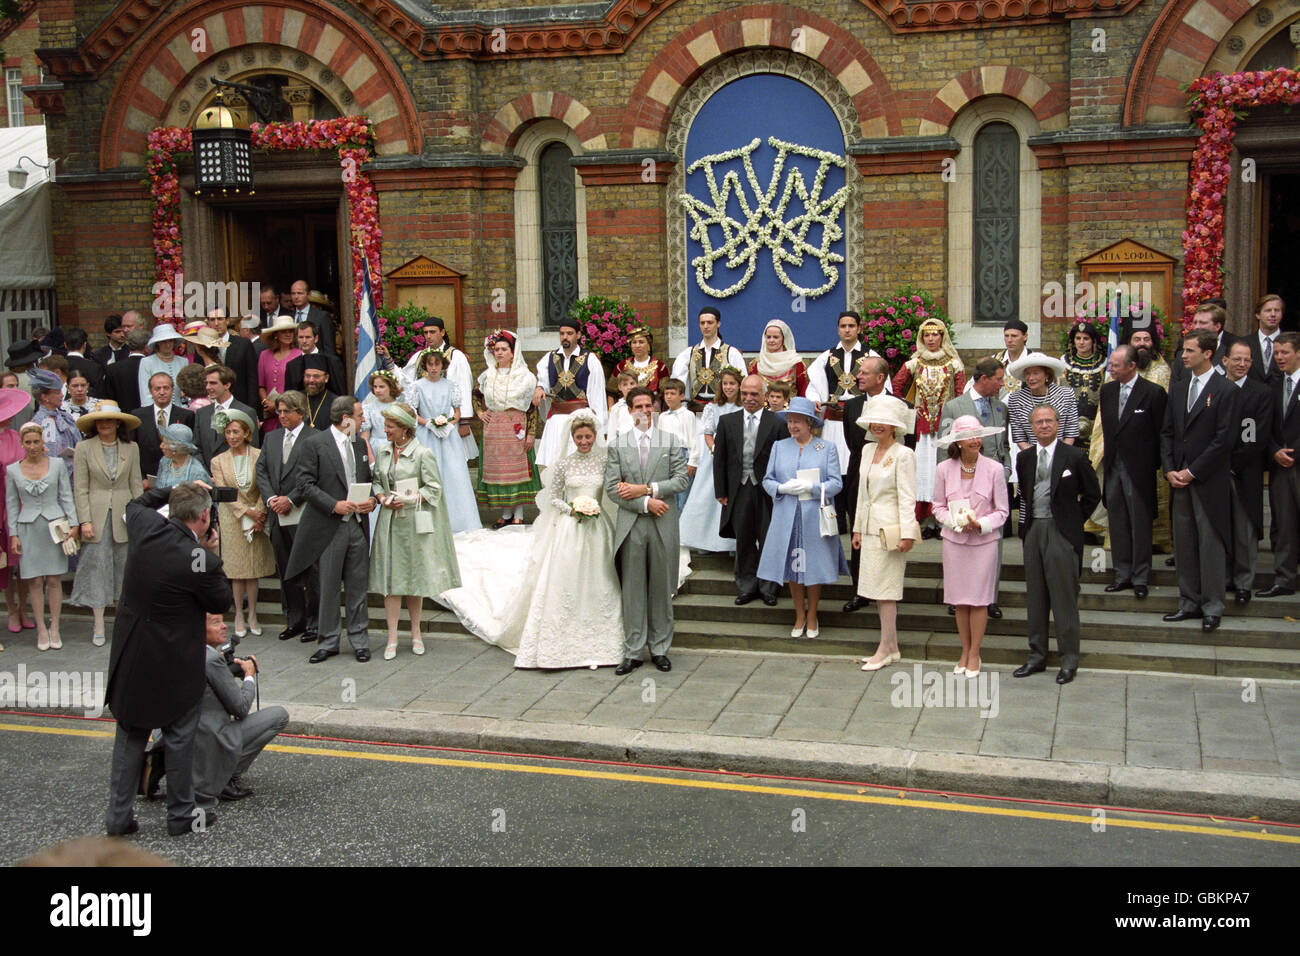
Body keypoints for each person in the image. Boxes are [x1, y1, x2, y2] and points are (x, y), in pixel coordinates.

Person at [104, 482, 233, 837]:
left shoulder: (145, 528)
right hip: (176, 662)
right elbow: (221, 602)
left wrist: (173, 488)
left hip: (133, 655)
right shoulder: (199, 559)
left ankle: (118, 818)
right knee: (178, 737)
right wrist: (210, 553)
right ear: (205, 516)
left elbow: (136, 501)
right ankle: (180, 815)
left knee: (131, 734)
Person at [1013, 405, 1101, 684]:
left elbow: (1092, 494)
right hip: (1034, 530)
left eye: (1049, 421)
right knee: (1036, 598)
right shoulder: (1025, 458)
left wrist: (1072, 521)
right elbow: (1025, 495)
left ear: (1058, 424)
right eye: (1038, 422)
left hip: (1061, 532)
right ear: (1032, 427)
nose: (1044, 426)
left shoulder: (1073, 456)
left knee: (1063, 598)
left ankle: (1068, 660)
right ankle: (1037, 656)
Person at [604, 388, 689, 675]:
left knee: (662, 587)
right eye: (638, 406)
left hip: (664, 522)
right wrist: (643, 503)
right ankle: (633, 650)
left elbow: (680, 481)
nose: (644, 411)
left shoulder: (670, 441)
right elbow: (613, 489)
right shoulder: (618, 444)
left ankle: (661, 647)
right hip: (632, 523)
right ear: (629, 411)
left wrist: (649, 489)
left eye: (648, 405)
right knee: (633, 589)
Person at [286, 396, 376, 663]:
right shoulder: (314, 444)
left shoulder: (360, 444)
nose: (363, 420)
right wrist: (332, 504)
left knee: (358, 587)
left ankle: (360, 639)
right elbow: (304, 483)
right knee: (328, 586)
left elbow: (366, 480)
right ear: (346, 418)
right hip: (329, 527)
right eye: (359, 415)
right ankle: (328, 640)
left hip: (357, 525)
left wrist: (371, 499)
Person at [1161, 330, 1239, 631]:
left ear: (1208, 353)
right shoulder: (1179, 387)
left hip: (1208, 481)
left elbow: (1224, 440)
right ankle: (1188, 602)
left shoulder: (1226, 390)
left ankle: (1212, 606)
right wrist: (1170, 468)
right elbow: (1167, 432)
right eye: (1183, 350)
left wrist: (1192, 471)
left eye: (1190, 350)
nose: (1183, 355)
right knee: (1184, 544)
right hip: (1179, 480)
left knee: (1209, 545)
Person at [370, 403, 461, 659]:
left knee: (413, 579)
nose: (385, 430)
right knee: (391, 581)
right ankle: (391, 637)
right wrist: (381, 496)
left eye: (390, 426)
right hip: (389, 522)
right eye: (386, 425)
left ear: (404, 429)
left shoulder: (422, 454)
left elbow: (434, 489)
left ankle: (416, 632)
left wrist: (409, 499)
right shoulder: (384, 451)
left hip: (412, 523)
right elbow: (378, 479)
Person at [759, 397, 847, 638]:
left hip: (812, 516)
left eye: (797, 421)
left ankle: (812, 615)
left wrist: (813, 488)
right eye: (790, 421)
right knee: (793, 566)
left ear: (810, 423)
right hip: (786, 515)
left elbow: (836, 483)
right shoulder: (780, 446)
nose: (792, 426)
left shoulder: (826, 448)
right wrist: (782, 489)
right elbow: (767, 480)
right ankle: (799, 614)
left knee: (813, 566)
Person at [932, 415, 1008, 676]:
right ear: (959, 442)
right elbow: (937, 507)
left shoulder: (995, 469)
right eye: (970, 437)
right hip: (954, 542)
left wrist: (982, 524)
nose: (975, 440)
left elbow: (1003, 511)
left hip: (983, 543)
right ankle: (964, 650)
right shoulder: (944, 469)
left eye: (978, 436)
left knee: (978, 600)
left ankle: (975, 653)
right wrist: (952, 522)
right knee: (960, 601)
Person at [192, 613, 288, 810]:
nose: (224, 627)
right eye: (215, 623)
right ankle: (226, 775)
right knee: (279, 715)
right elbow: (241, 708)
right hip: (211, 738)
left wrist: (227, 670)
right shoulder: (211, 659)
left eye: (222, 621)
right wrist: (249, 676)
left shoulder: (184, 651)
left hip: (184, 737)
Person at [852, 395, 919, 671]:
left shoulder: (904, 455)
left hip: (890, 530)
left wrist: (907, 533)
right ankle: (889, 646)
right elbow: (861, 492)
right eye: (874, 421)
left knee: (887, 590)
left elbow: (907, 497)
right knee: (875, 590)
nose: (878, 426)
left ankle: (887, 647)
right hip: (868, 528)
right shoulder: (868, 451)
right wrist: (856, 527)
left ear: (895, 427)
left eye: (885, 422)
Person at [939, 357, 1010, 616]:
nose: (1002, 384)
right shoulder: (954, 406)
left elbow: (1004, 447)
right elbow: (945, 448)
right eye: (999, 379)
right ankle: (957, 597)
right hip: (960, 480)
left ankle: (989, 597)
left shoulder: (1001, 408)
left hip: (991, 481)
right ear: (983, 379)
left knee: (992, 540)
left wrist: (1007, 470)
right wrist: (948, 483)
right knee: (959, 540)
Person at [1097, 344, 1168, 600]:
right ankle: (1122, 573)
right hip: (1114, 467)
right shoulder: (1107, 391)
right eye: (1110, 364)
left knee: (1140, 524)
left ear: (1131, 366)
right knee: (1117, 523)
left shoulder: (1153, 393)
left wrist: (1156, 465)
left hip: (1139, 470)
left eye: (1115, 365)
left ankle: (1140, 576)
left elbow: (1162, 434)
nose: (1111, 369)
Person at [70, 401, 143, 647]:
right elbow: (80, 487)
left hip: (123, 515)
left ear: (118, 423)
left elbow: (135, 485)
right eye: (100, 421)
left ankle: (123, 623)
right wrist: (84, 520)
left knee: (125, 569)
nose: (105, 424)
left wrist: (137, 517)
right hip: (96, 514)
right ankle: (98, 623)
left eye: (110, 420)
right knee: (97, 568)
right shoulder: (84, 447)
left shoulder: (131, 448)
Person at [713, 373, 789, 605]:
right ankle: (747, 585)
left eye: (754, 394)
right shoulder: (727, 421)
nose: (748, 398)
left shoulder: (777, 422)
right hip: (739, 488)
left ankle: (769, 587)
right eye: (745, 393)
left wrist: (782, 492)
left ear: (764, 395)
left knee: (769, 538)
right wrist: (721, 491)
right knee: (744, 539)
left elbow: (784, 459)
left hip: (767, 490)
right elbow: (720, 459)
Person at [6, 422, 78, 650]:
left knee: (54, 579)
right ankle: (40, 628)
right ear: (22, 444)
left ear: (42, 441)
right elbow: (11, 505)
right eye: (28, 442)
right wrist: (13, 535)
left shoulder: (56, 464)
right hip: (28, 528)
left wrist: (73, 524)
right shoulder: (12, 470)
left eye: (36, 441)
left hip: (54, 526)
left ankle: (55, 626)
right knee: (34, 580)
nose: (33, 446)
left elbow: (66, 496)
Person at [892, 318, 965, 535]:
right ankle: (925, 520)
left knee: (945, 471)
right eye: (927, 335)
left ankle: (943, 518)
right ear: (921, 338)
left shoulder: (954, 364)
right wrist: (907, 410)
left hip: (946, 427)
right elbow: (895, 386)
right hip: (921, 427)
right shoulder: (914, 363)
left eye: (935, 335)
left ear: (943, 337)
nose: (931, 339)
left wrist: (957, 420)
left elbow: (960, 393)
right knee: (923, 472)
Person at [256, 390, 318, 642]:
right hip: (277, 514)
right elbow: (261, 470)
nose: (281, 415)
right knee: (285, 568)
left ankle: (315, 621)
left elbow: (315, 474)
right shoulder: (271, 438)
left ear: (300, 413)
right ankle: (294, 619)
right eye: (279, 411)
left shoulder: (315, 438)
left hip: (303, 512)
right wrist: (271, 498)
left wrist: (291, 499)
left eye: (286, 412)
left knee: (310, 569)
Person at [208, 408, 275, 638]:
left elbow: (266, 484)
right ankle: (238, 614)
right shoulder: (218, 461)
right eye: (228, 432)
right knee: (236, 571)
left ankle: (253, 614)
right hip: (232, 519)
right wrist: (246, 511)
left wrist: (259, 512)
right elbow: (222, 493)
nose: (232, 436)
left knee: (252, 570)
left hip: (258, 516)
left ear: (246, 433)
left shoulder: (259, 454)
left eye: (236, 432)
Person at [841, 357, 893, 612]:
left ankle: (886, 590)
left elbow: (908, 444)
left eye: (864, 372)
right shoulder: (851, 407)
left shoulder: (900, 405)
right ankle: (859, 591)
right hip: (857, 479)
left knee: (885, 534)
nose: (858, 376)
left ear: (880, 378)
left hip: (887, 481)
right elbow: (853, 443)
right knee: (858, 534)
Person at [409, 348, 481, 534]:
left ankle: (458, 520)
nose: (433, 368)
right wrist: (429, 423)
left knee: (453, 473)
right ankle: (428, 520)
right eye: (430, 364)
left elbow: (457, 412)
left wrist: (449, 423)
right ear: (425, 365)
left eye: (437, 364)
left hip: (448, 435)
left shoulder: (451, 385)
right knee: (428, 472)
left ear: (443, 366)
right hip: (426, 434)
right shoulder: (417, 386)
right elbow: (414, 414)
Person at [1222, 340, 1272, 604]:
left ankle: (1243, 583)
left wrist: (1232, 463)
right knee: (1221, 529)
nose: (1242, 365)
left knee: (1244, 530)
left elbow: (1253, 436)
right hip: (1215, 472)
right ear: (1225, 361)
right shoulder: (1215, 388)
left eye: (1247, 360)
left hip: (1244, 472)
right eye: (1237, 359)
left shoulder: (1260, 393)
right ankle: (1224, 578)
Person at [474, 330, 542, 525]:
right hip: (495, 429)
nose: (500, 353)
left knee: (517, 472)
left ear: (513, 352)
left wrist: (531, 433)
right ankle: (505, 514)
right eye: (497, 349)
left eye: (504, 349)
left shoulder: (525, 377)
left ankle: (518, 515)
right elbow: (476, 395)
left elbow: (531, 407)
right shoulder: (488, 375)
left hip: (516, 427)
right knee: (501, 473)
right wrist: (480, 413)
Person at [806, 311, 888, 471]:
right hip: (834, 421)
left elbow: (883, 388)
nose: (847, 330)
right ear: (838, 329)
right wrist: (814, 400)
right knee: (831, 465)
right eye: (843, 326)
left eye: (851, 326)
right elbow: (814, 385)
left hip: (862, 420)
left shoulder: (871, 356)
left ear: (858, 329)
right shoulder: (826, 356)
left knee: (859, 464)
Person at [395, 316, 479, 464]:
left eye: (432, 332)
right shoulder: (419, 357)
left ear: (442, 332)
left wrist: (465, 421)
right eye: (425, 332)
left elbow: (464, 386)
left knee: (452, 461)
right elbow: (406, 383)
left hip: (451, 421)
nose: (428, 336)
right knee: (427, 461)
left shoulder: (455, 356)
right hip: (425, 422)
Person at [678, 365, 742, 554]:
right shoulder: (713, 408)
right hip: (715, 457)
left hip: (737, 459)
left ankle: (731, 544)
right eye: (725, 384)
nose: (728, 387)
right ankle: (704, 541)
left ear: (739, 386)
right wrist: (715, 449)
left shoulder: (743, 407)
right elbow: (707, 433)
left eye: (732, 384)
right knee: (707, 498)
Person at [533, 319, 607, 468]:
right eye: (562, 334)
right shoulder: (549, 358)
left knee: (579, 465)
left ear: (578, 335)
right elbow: (543, 382)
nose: (565, 337)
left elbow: (597, 395)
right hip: (556, 420)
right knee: (555, 465)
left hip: (581, 420)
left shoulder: (590, 359)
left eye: (569, 333)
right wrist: (540, 388)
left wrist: (601, 427)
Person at [1261, 332, 1300, 599]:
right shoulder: (1272, 385)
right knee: (1284, 524)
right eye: (1276, 353)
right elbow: (1263, 425)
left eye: (1285, 352)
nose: (1279, 358)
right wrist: (1274, 451)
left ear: (1298, 353)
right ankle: (1285, 579)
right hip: (1281, 467)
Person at [671, 307, 747, 413]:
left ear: (718, 323)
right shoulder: (688, 353)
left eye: (710, 322)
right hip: (695, 409)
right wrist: (682, 407)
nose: (706, 326)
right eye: (702, 323)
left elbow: (743, 382)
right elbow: (678, 381)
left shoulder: (731, 352)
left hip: (723, 408)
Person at [0, 388, 31, 637]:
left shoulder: (15, 436)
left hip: (19, 505)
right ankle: (10, 608)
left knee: (22, 562)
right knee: (4, 564)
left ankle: (23, 607)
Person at [130, 371, 196, 481]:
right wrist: (141, 478)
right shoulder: (138, 416)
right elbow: (132, 450)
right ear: (151, 391)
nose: (162, 392)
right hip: (145, 479)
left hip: (177, 478)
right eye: (157, 388)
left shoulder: (186, 415)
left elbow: (191, 449)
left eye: (166, 388)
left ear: (172, 390)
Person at [1006, 353, 1079, 451]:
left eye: (1036, 373)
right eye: (1028, 373)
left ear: (1047, 375)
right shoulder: (1016, 399)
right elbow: (1019, 437)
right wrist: (1036, 457)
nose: (1031, 378)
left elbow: (1071, 431)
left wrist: (1060, 455)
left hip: (1062, 453)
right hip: (1030, 454)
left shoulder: (1066, 394)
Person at [195, 365, 261, 467]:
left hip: (234, 477)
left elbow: (252, 450)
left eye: (213, 383)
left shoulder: (246, 412)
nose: (208, 387)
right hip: (207, 477)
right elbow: (197, 447)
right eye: (206, 383)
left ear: (227, 385)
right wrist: (206, 474)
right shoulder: (202, 413)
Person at [654, 378, 699, 511]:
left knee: (683, 496)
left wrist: (693, 462)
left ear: (681, 396)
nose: (669, 397)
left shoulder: (688, 415)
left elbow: (694, 440)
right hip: (666, 456)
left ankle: (682, 528)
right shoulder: (662, 417)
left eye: (673, 393)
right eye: (666, 394)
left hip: (682, 455)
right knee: (669, 494)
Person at [1062, 320, 1105, 452]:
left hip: (1096, 426)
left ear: (1093, 341)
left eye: (1086, 339)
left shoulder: (1105, 365)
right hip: (1069, 425)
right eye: (1078, 338)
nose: (1081, 342)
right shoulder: (1063, 363)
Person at [29, 368, 80, 480]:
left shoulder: (65, 417)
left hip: (75, 477)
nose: (62, 395)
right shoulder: (38, 423)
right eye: (57, 393)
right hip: (53, 479)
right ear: (44, 397)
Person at [1170, 302, 1237, 386]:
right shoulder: (1182, 356)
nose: (1197, 327)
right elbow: (1174, 390)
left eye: (1203, 323)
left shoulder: (1229, 355)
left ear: (1217, 326)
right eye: (1195, 322)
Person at [256, 316, 302, 432]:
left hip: (291, 409)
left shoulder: (299, 354)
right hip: (270, 414)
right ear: (276, 334)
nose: (288, 334)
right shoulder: (264, 355)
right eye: (284, 331)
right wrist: (266, 402)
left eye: (291, 331)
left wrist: (278, 405)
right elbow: (261, 385)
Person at [283, 321, 346, 396]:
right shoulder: (291, 365)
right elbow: (288, 397)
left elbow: (340, 393)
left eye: (308, 337)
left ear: (316, 338)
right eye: (301, 337)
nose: (304, 341)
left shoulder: (332, 361)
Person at [748, 319, 808, 398]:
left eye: (775, 337)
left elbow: (804, 393)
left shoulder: (796, 364)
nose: (771, 340)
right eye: (768, 337)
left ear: (783, 339)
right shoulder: (756, 365)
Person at [611, 327, 670, 399]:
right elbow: (611, 391)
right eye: (634, 342)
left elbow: (666, 392)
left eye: (641, 342)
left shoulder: (660, 366)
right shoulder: (621, 366)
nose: (637, 346)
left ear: (648, 345)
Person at [101, 329, 151, 413]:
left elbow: (108, 400)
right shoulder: (152, 366)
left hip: (122, 419)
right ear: (146, 347)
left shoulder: (113, 369)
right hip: (148, 418)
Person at [137, 324, 187, 407]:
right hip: (155, 412)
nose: (167, 345)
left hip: (179, 410)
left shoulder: (183, 361)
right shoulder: (147, 362)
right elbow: (145, 394)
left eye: (170, 341)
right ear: (157, 343)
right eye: (163, 341)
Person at [154, 423, 211, 490]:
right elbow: (157, 489)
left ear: (176, 447)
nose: (161, 446)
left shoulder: (197, 472)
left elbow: (200, 498)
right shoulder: (164, 461)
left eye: (165, 443)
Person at [288, 279, 337, 357]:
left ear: (308, 294)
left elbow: (329, 348)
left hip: (316, 363)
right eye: (293, 294)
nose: (296, 297)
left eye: (300, 293)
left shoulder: (322, 316)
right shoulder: (288, 317)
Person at [359, 369, 401, 459]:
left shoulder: (401, 407)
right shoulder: (368, 408)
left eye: (381, 387)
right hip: (376, 449)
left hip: (397, 447)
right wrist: (371, 458)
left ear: (391, 387)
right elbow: (364, 437)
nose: (377, 390)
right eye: (375, 387)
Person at [1246, 293, 1284, 388]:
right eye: (1268, 310)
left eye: (1277, 310)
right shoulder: (1244, 343)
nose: (1273, 314)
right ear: (1258, 315)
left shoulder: (1292, 343)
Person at [300, 355, 341, 431]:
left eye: (316, 376)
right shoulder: (295, 400)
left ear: (326, 378)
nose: (311, 380)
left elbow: (350, 435)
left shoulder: (338, 403)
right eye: (307, 376)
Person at [604, 369, 637, 442]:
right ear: (619, 387)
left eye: (632, 383)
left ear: (637, 384)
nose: (629, 387)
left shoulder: (644, 406)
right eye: (625, 384)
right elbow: (611, 435)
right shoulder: (616, 409)